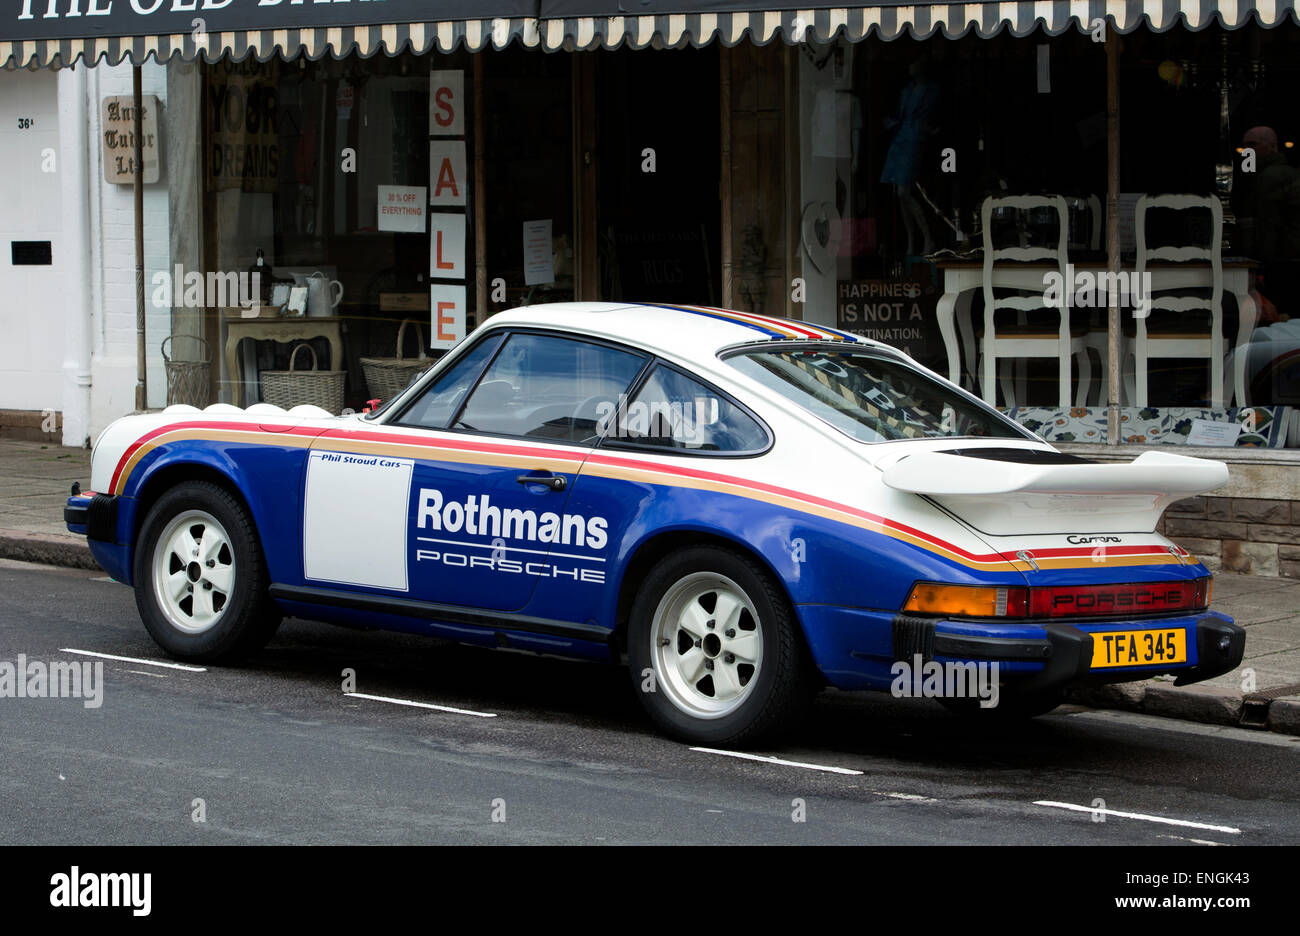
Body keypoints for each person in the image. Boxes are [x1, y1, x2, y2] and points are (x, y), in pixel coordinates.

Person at [1240, 126, 1300, 320]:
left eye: (1253, 145)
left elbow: (1268, 222)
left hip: (1283, 257)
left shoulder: (1270, 176)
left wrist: (1261, 261)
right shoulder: (1275, 173)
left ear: (1272, 146)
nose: (1248, 150)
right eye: (1246, 146)